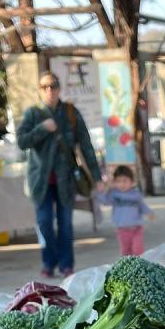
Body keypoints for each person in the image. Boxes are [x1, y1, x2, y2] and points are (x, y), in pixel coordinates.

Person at [16, 71, 101, 278]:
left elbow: (86, 145)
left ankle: (66, 264)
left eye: (53, 85)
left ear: (59, 88)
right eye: (44, 86)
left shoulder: (71, 112)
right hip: (41, 180)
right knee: (44, 222)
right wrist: (42, 128)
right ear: (39, 90)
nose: (49, 90)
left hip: (66, 179)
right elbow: (22, 142)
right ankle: (49, 261)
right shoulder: (33, 114)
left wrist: (97, 177)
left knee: (65, 225)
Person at [97, 164, 155, 257]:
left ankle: (139, 267)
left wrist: (149, 213)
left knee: (138, 249)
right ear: (114, 182)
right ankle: (127, 269)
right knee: (125, 251)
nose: (122, 184)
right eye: (118, 181)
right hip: (122, 229)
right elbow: (105, 201)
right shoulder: (114, 194)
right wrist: (101, 191)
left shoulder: (136, 194)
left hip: (137, 228)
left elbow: (142, 205)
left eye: (125, 181)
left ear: (132, 182)